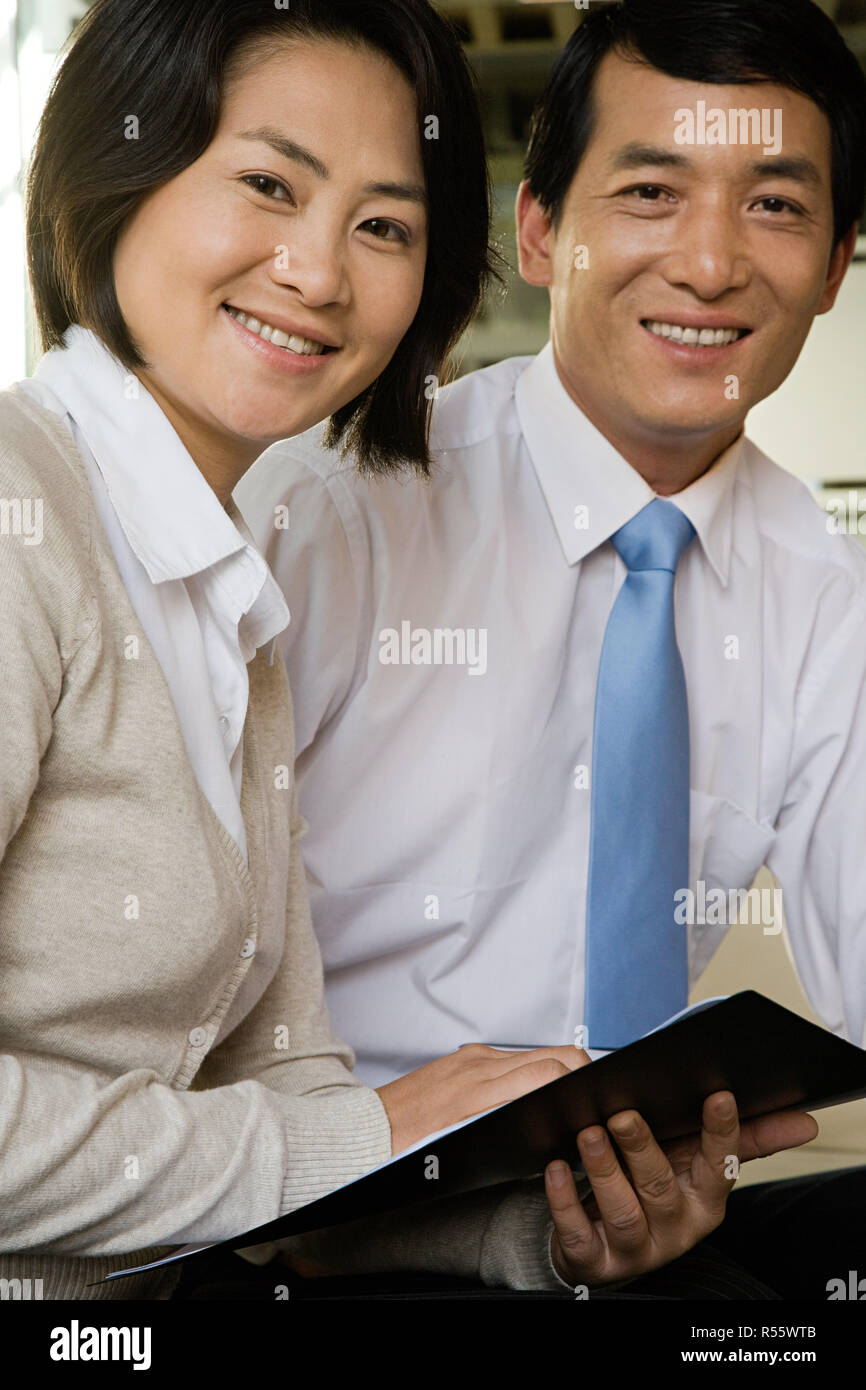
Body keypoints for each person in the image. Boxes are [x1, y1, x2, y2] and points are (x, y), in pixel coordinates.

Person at [0, 0, 644, 1301]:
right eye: (266, 185)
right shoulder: (23, 512)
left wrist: (540, 1235)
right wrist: (364, 1130)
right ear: (112, 173)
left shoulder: (224, 589)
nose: (318, 271)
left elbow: (273, 1100)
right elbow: (307, 1141)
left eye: (383, 225)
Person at [237, 0, 866, 1298]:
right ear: (538, 229)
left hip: (632, 1213)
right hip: (318, 1219)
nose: (707, 265)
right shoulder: (326, 514)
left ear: (839, 262)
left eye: (773, 205)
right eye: (649, 190)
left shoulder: (813, 577)